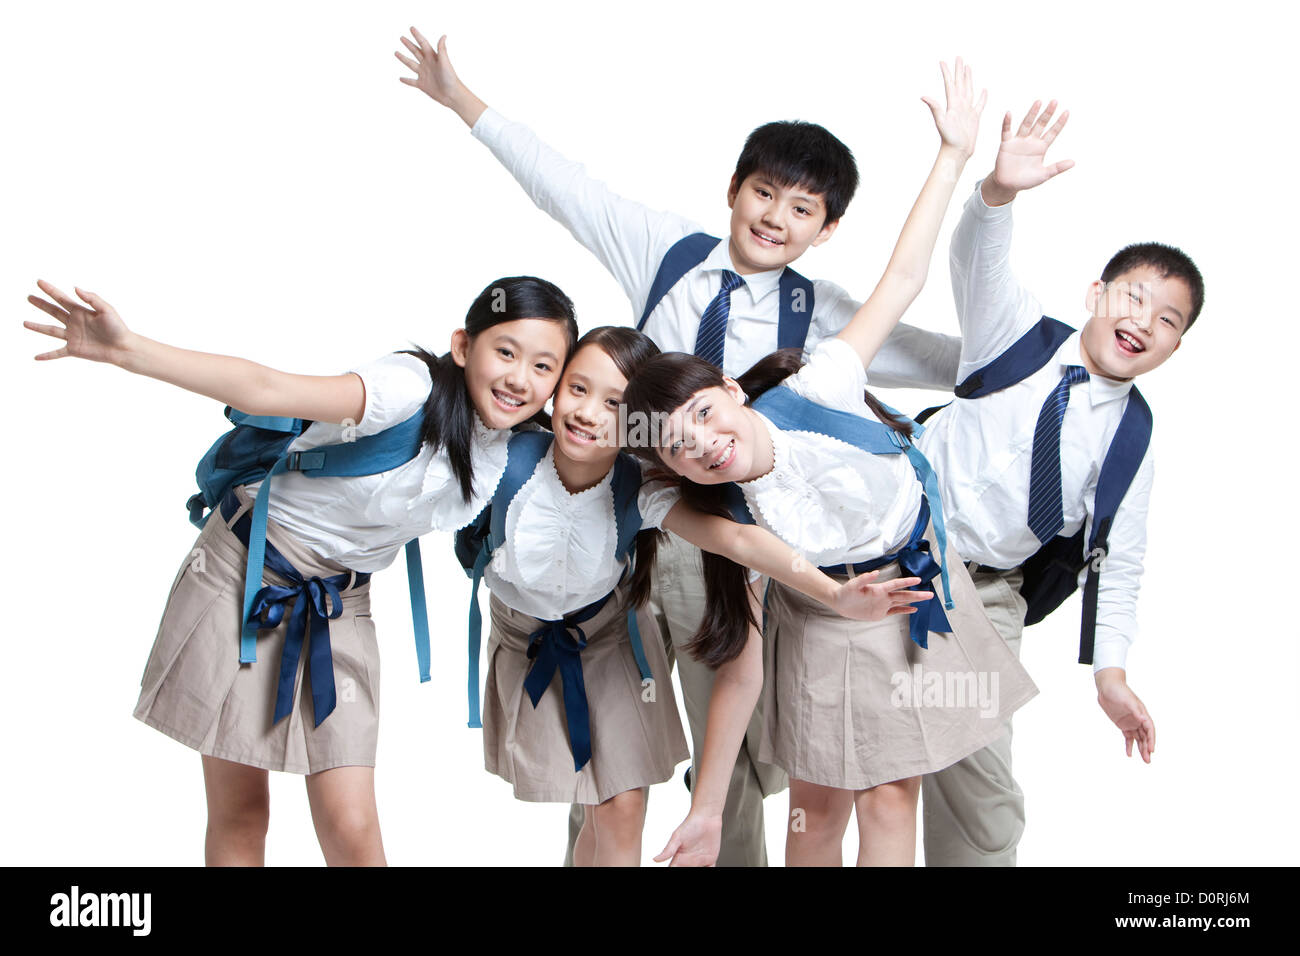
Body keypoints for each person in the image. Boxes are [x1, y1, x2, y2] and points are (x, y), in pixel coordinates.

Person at [396, 26, 964, 865]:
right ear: (733, 188)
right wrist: (462, 101)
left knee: (718, 732)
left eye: (802, 208)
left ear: (827, 228)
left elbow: (940, 354)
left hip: (723, 540)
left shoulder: (825, 312)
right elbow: (565, 186)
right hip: (618, 512)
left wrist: (1055, 354)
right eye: (764, 193)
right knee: (600, 728)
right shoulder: (668, 253)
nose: (775, 218)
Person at [624, 59, 1037, 866]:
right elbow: (755, 554)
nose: (703, 443)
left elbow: (904, 280)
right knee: (818, 802)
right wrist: (833, 597)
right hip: (826, 608)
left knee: (894, 790)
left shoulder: (822, 381)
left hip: (916, 581)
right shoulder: (714, 507)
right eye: (680, 446)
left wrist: (955, 157)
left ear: (729, 389)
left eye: (704, 414)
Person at [23, 274, 579, 865]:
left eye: (545, 367)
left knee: (353, 824)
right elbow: (266, 387)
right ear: (464, 346)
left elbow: (608, 444)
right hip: (248, 576)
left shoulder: (512, 442)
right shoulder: (405, 388)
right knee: (242, 811)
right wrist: (127, 349)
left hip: (341, 604)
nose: (521, 378)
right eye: (506, 352)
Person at [477, 326, 934, 865]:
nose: (589, 413)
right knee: (598, 805)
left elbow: (740, 542)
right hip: (532, 637)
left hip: (614, 642)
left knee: (622, 804)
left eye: (614, 405)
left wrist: (833, 595)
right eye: (577, 389)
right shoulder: (505, 460)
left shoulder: (654, 488)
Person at [916, 101, 1202, 866]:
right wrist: (997, 196)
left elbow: (1121, 561)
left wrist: (1111, 673)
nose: (1145, 320)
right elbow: (977, 261)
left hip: (987, 595)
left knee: (980, 791)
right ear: (1097, 293)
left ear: (1174, 347)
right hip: (881, 553)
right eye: (1135, 296)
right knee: (839, 769)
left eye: (1169, 320)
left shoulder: (1132, 438)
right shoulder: (1012, 334)